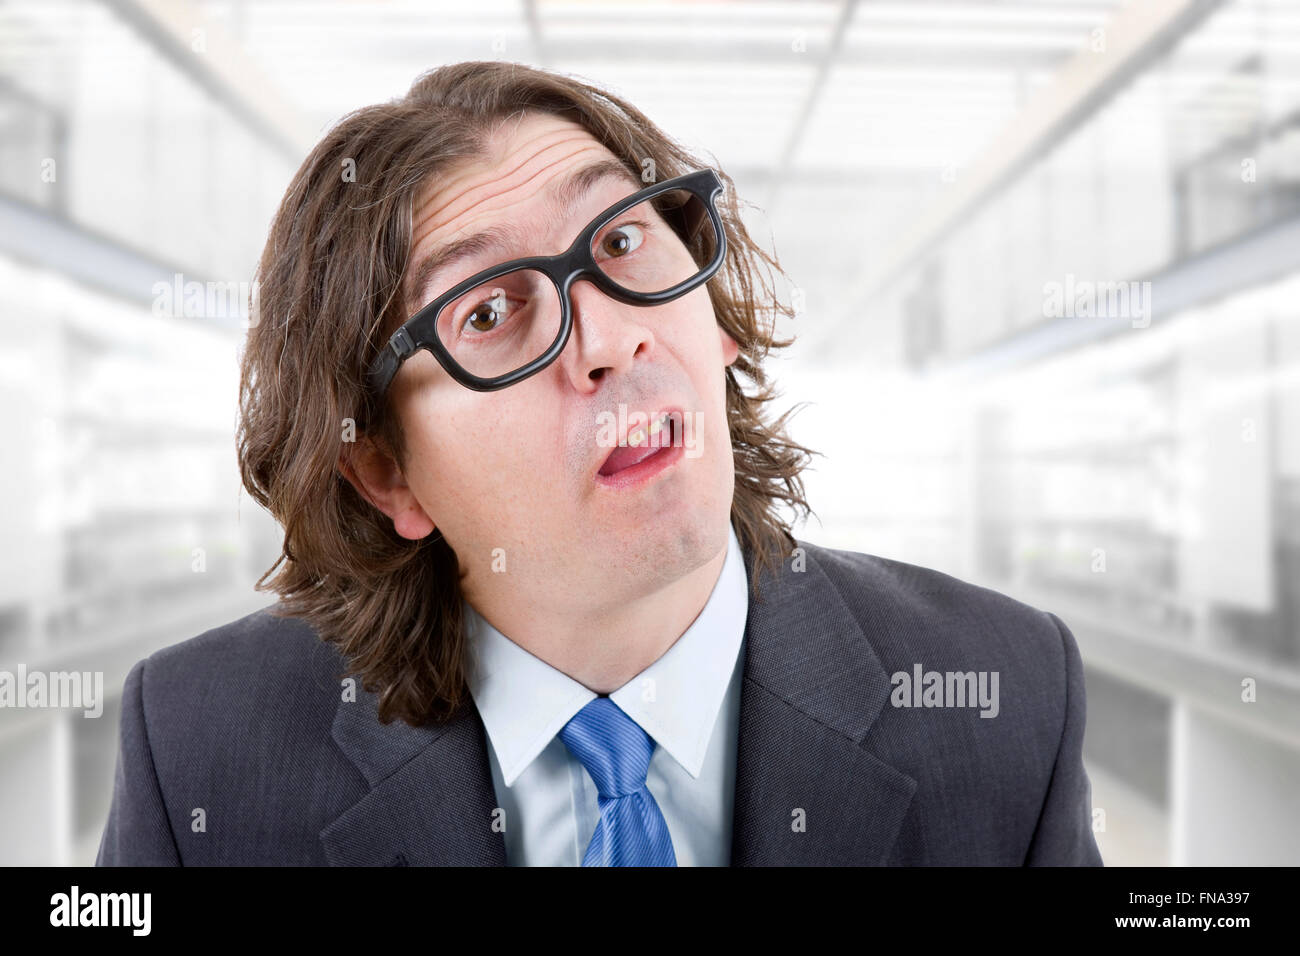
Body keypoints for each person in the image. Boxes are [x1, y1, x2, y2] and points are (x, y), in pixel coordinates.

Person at [96, 61, 1102, 867]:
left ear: (720, 333)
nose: (610, 339)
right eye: (487, 310)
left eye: (622, 238)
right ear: (385, 475)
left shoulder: (1005, 697)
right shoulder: (201, 755)